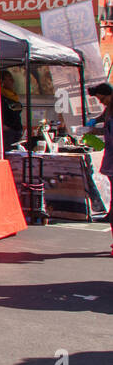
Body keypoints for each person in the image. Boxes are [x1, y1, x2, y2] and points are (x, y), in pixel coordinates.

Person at [87, 82, 113, 257]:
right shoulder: (110, 108)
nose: (101, 102)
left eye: (102, 98)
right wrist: (94, 122)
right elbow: (104, 118)